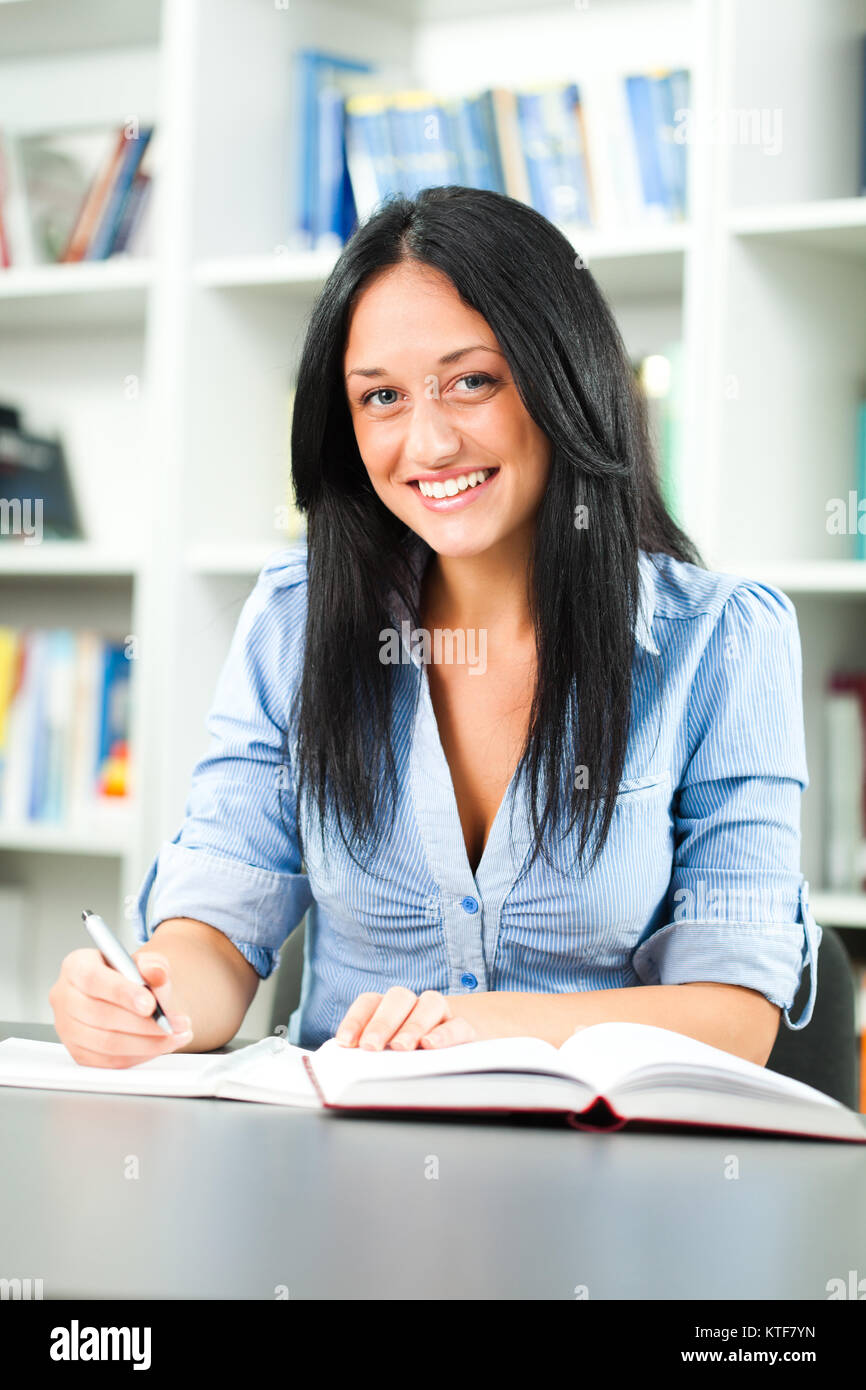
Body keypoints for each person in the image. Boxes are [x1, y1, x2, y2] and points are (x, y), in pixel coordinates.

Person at [49, 186, 819, 1070]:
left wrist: (476, 1027)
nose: (428, 443)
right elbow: (216, 937)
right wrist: (145, 998)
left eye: (472, 382)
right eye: (380, 397)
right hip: (341, 1169)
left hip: (606, 1169)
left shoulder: (722, 642)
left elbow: (736, 1015)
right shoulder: (293, 624)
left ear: (563, 376)